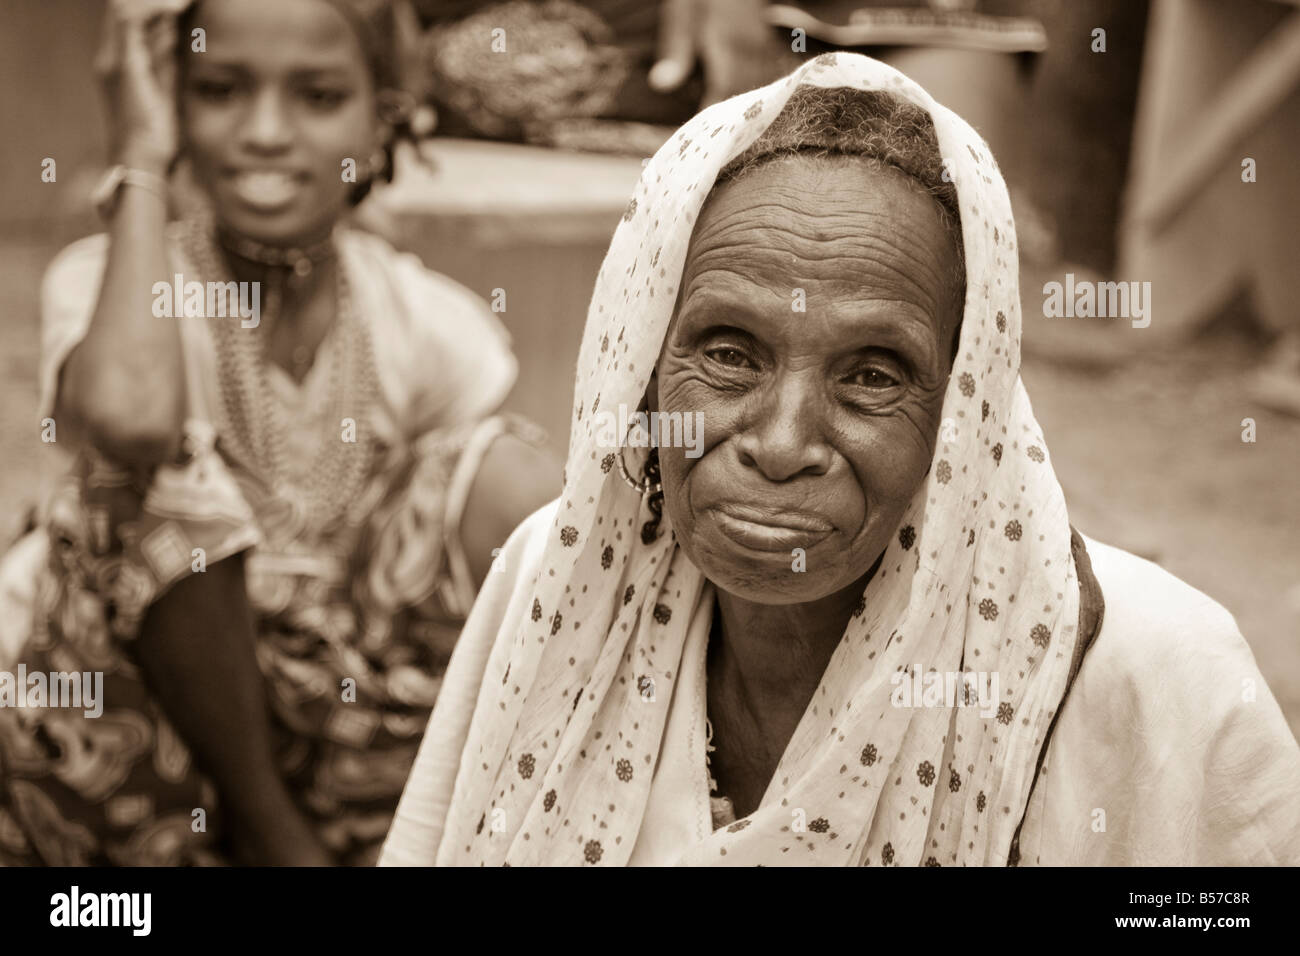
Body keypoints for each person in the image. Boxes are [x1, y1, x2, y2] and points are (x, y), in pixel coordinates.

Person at [379, 53, 1300, 866]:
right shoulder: (561, 574)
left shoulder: (1153, 681)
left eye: (873, 375)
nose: (782, 445)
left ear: (963, 413)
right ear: (640, 368)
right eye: (729, 353)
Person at [0, 0, 556, 865]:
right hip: (133, 740)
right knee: (153, 473)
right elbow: (130, 415)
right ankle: (274, 842)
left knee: (508, 480)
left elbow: (483, 547)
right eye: (220, 91)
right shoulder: (112, 283)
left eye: (317, 97)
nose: (265, 132)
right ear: (175, 107)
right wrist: (139, 159)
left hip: (337, 738)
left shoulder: (425, 321)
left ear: (381, 126)